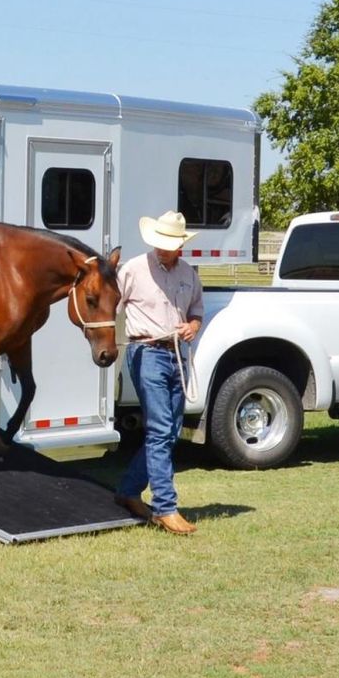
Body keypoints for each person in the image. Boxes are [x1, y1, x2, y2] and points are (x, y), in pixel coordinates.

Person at [115, 210, 204, 535]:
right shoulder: (133, 269)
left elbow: (196, 312)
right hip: (147, 351)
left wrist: (193, 327)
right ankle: (166, 507)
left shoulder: (189, 274)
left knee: (170, 430)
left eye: (169, 245)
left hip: (176, 354)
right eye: (160, 244)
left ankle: (127, 492)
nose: (164, 250)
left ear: (180, 245)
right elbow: (111, 304)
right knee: (162, 428)